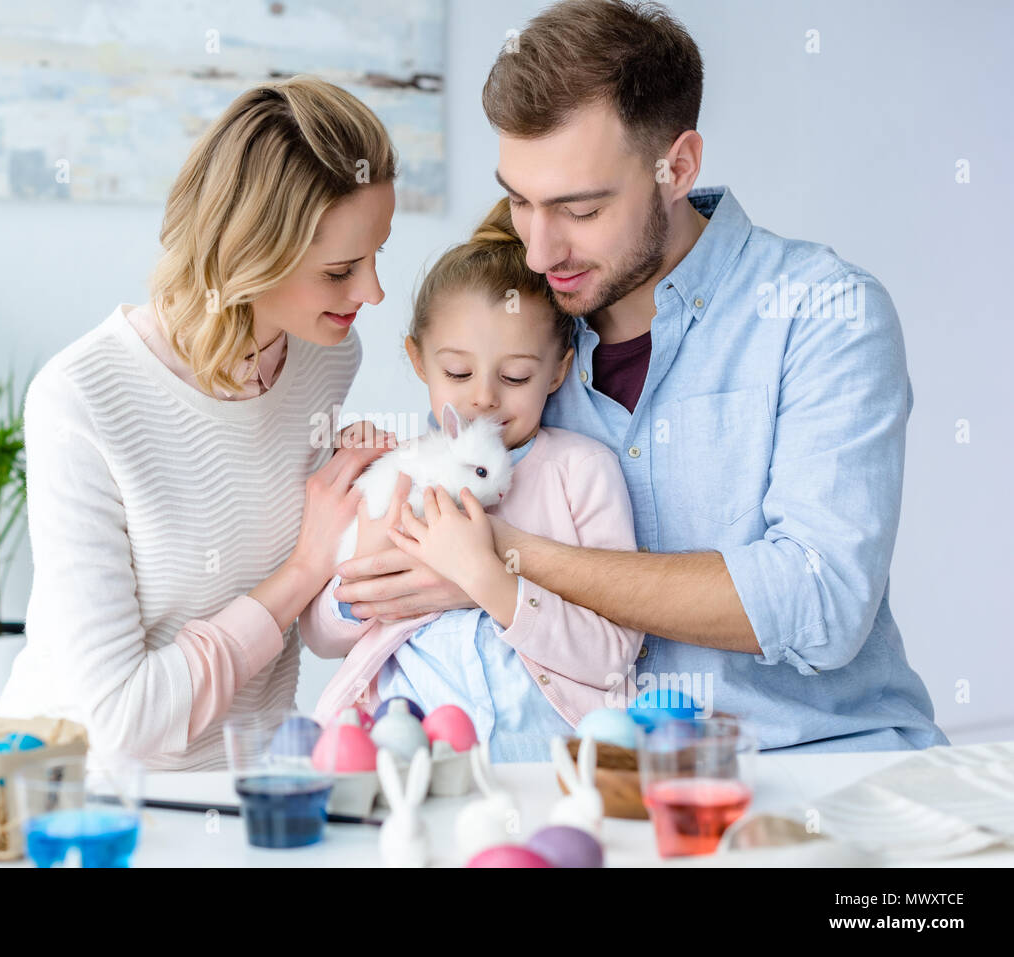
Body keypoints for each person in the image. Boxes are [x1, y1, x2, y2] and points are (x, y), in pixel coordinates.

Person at [330, 0, 949, 753]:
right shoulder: (520, 339)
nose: (538, 248)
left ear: (677, 167)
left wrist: (504, 557)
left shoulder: (821, 313)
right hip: (591, 786)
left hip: (816, 762)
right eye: (520, 201)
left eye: (579, 209)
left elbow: (819, 601)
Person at [0, 75, 400, 771]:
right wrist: (305, 568)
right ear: (250, 257)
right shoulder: (80, 399)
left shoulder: (329, 356)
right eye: (341, 271)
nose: (371, 293)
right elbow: (121, 719)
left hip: (256, 786)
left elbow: (313, 613)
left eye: (376, 255)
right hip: (90, 804)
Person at [300, 199, 644, 761]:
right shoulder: (398, 470)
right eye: (458, 372)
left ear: (558, 368)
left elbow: (612, 656)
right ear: (418, 361)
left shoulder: (582, 471)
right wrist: (356, 581)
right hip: (411, 754)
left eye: (515, 375)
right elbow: (321, 634)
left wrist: (489, 585)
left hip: (550, 756)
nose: (484, 396)